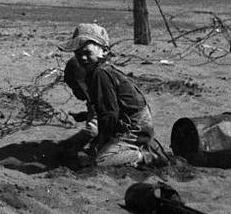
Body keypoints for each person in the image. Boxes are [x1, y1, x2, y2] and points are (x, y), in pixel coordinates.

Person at [59, 23, 161, 169]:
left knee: (101, 160)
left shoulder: (101, 74)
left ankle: (146, 155)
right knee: (96, 150)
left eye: (87, 53)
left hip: (135, 126)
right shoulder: (99, 71)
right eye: (78, 53)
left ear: (104, 51)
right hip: (128, 122)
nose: (82, 58)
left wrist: (102, 144)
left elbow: (109, 114)